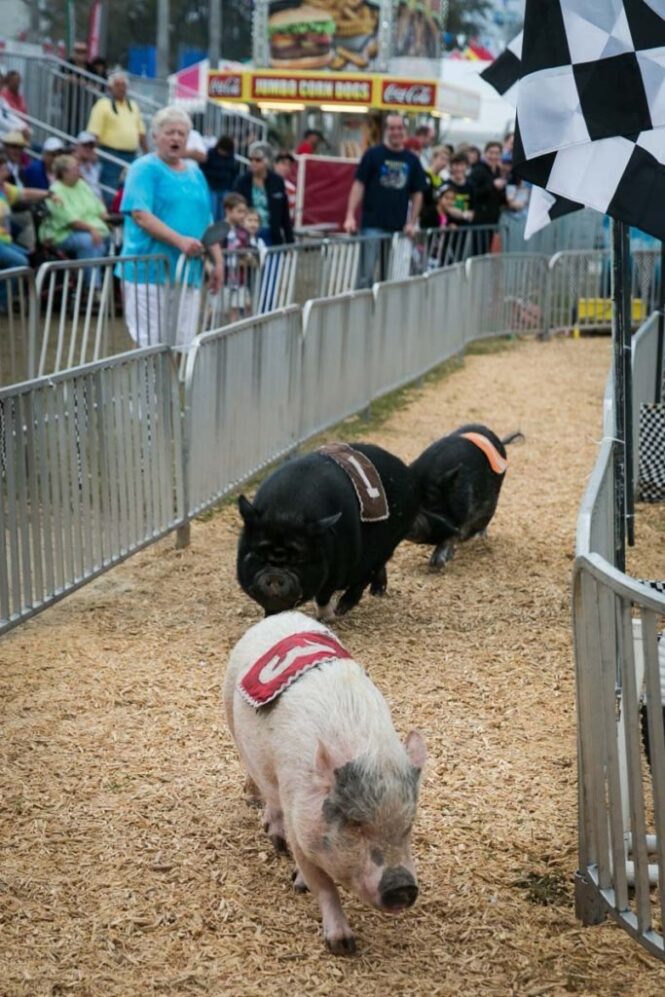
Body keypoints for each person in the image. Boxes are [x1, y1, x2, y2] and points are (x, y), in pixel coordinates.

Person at [117, 104, 222, 348]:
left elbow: (206, 219)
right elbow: (140, 214)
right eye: (170, 132)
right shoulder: (143, 168)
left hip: (188, 272)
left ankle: (173, 387)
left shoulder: (196, 172)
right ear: (155, 136)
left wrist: (217, 262)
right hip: (148, 270)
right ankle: (149, 387)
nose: (176, 138)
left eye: (181, 133)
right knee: (150, 343)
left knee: (182, 343)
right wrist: (180, 241)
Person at [343, 113, 427, 287]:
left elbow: (418, 193)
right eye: (392, 128)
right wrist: (350, 215)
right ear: (386, 130)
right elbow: (359, 185)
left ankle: (382, 311)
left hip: (398, 227)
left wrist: (412, 222)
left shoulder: (412, 160)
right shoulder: (373, 154)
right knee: (366, 274)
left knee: (389, 276)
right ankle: (361, 308)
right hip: (372, 224)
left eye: (399, 128)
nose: (396, 132)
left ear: (404, 130)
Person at [39, 154, 111, 284]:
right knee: (90, 242)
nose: (79, 170)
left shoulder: (82, 185)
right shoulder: (55, 191)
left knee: (112, 239)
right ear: (64, 173)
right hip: (63, 234)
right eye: (75, 168)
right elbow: (71, 221)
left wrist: (109, 220)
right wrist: (92, 229)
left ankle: (110, 286)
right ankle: (93, 288)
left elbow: (98, 208)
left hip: (93, 229)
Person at [87, 70, 147, 202]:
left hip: (131, 155)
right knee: (110, 187)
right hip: (109, 154)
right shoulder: (102, 104)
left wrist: (147, 153)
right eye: (118, 85)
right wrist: (92, 152)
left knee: (132, 186)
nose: (121, 88)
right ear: (110, 87)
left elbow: (141, 132)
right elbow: (94, 132)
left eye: (124, 85)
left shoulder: (133, 105)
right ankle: (110, 214)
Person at [0, 151, 53, 272]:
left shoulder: (4, 188)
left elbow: (24, 193)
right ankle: (5, 291)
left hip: (4, 240)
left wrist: (48, 194)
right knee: (21, 263)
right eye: (2, 168)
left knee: (29, 257)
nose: (6, 171)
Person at [233, 141, 294, 246]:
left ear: (267, 161)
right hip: (247, 234)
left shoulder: (277, 181)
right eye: (250, 159)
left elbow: (284, 213)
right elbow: (235, 208)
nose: (253, 163)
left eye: (258, 160)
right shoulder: (241, 181)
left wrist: (290, 240)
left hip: (272, 233)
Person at [468, 141, 507, 253]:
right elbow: (473, 193)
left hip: (492, 220)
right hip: (480, 220)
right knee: (478, 251)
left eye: (497, 153)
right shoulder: (478, 170)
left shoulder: (498, 171)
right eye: (491, 153)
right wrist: (493, 186)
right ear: (485, 153)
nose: (493, 156)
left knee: (486, 252)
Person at [201, 135, 240, 222]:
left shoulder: (231, 157)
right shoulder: (210, 154)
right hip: (211, 187)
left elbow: (234, 172)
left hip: (225, 188)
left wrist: (230, 187)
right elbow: (203, 170)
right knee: (212, 212)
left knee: (223, 213)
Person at [419, 145, 451, 229]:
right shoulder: (423, 175)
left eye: (446, 160)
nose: (444, 163)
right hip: (423, 219)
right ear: (433, 158)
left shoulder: (442, 180)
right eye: (442, 159)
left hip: (436, 220)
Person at [74, 131, 103, 200]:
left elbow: (97, 190)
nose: (88, 149)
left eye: (91, 146)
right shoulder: (72, 164)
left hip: (95, 204)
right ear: (77, 146)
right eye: (85, 145)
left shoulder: (95, 166)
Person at [274, 152, 297, 225]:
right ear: (275, 164)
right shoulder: (262, 182)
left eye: (289, 165)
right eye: (283, 163)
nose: (286, 168)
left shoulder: (291, 189)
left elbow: (289, 215)